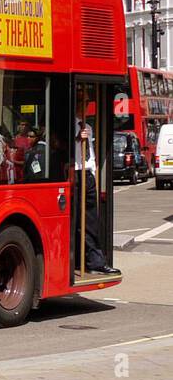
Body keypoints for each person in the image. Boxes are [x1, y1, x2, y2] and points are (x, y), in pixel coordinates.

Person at [74, 100, 118, 275]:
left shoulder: (88, 126)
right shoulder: (68, 125)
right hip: (75, 173)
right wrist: (77, 139)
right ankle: (77, 259)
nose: (83, 105)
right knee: (77, 219)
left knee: (91, 220)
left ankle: (95, 260)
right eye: (81, 100)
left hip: (87, 174)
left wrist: (93, 171)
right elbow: (59, 146)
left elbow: (90, 151)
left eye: (86, 101)